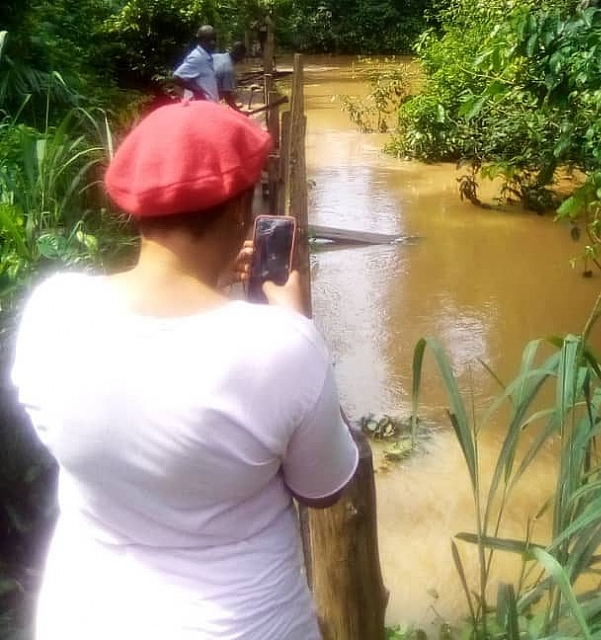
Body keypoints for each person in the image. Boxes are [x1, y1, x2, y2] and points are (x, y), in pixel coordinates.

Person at [11, 101, 359, 640]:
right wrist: (294, 321)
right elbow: (323, 488)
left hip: (84, 618)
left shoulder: (52, 311)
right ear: (241, 212)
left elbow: (155, 370)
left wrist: (215, 294)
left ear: (136, 207)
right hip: (242, 625)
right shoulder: (282, 346)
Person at [173, 25, 219, 102]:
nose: (213, 43)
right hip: (203, 108)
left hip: (212, 107)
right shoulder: (197, 57)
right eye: (209, 40)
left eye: (214, 39)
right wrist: (198, 92)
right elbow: (177, 78)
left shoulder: (207, 56)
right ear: (200, 40)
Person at [213, 41, 247, 112]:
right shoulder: (228, 69)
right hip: (205, 100)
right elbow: (227, 96)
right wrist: (239, 113)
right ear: (241, 56)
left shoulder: (217, 56)